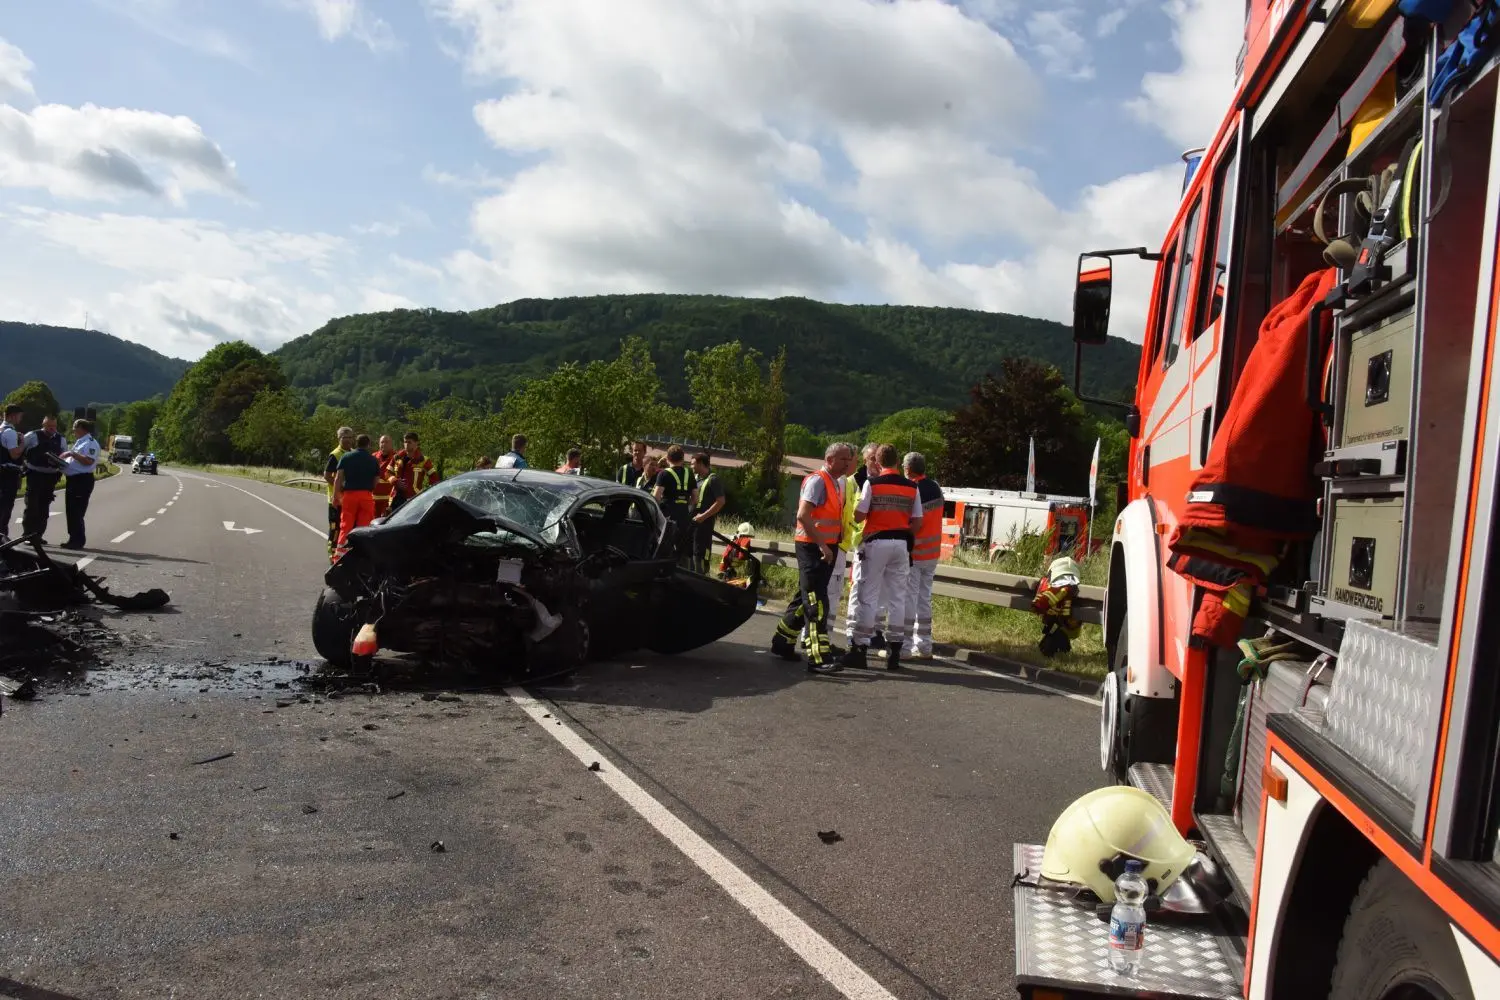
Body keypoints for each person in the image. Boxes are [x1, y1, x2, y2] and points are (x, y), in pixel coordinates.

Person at [771, 441, 855, 674]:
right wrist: (822, 546)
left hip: (826, 547)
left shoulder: (837, 483)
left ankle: (782, 642)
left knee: (805, 597)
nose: (848, 463)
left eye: (849, 459)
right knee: (816, 602)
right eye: (844, 459)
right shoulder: (819, 480)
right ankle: (819, 658)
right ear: (830, 459)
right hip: (813, 548)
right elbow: (803, 516)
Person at [841, 443, 922, 672]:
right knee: (898, 598)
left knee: (868, 595)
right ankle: (894, 652)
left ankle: (859, 649)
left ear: (877, 461)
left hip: (876, 543)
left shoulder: (872, 483)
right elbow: (917, 521)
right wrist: (904, 533)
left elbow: (859, 515)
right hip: (901, 544)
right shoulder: (911, 487)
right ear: (897, 461)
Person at [900, 451, 944, 661]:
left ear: (908, 469)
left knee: (909, 599)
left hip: (915, 553)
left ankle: (905, 648)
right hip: (932, 554)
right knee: (924, 599)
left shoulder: (911, 489)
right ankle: (925, 647)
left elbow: (909, 522)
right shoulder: (935, 487)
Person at [333, 434, 381, 561]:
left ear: (356, 443)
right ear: (368, 445)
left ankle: (339, 556)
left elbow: (338, 478)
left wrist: (336, 497)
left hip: (349, 495)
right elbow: (376, 480)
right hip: (366, 495)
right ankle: (360, 556)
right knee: (364, 527)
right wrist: (369, 488)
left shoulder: (346, 457)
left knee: (346, 524)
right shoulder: (373, 460)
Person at [20, 415, 65, 543]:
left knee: (44, 507)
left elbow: (64, 458)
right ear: (43, 425)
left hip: (51, 477)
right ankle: (28, 535)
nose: (52, 429)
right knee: (31, 506)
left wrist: (59, 468)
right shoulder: (32, 436)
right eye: (49, 426)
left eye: (54, 426)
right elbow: (21, 451)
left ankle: (38, 535)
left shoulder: (61, 439)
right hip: (34, 474)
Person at [58, 418, 100, 550]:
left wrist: (72, 454)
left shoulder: (90, 443)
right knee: (71, 511)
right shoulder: (80, 442)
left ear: (82, 429)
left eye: (75, 428)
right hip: (73, 480)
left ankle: (78, 540)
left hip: (82, 480)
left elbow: (88, 461)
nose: (73, 430)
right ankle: (73, 538)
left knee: (76, 511)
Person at [653, 444, 696, 567]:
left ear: (668, 458)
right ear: (683, 458)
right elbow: (695, 498)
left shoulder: (664, 474)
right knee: (682, 548)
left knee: (666, 547)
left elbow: (656, 497)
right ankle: (683, 574)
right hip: (684, 516)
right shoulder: (689, 473)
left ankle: (664, 572)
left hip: (668, 517)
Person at [1032, 556, 1083, 657]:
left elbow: (1041, 602)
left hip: (1062, 622)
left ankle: (1055, 646)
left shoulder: (1058, 589)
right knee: (1056, 632)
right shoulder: (1069, 591)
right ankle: (1056, 646)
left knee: (1057, 632)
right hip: (1060, 621)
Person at [690, 453, 725, 574]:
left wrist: (703, 516)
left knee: (700, 555)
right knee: (693, 553)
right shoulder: (696, 479)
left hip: (704, 526)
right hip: (694, 524)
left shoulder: (713, 479)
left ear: (700, 464)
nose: (691, 466)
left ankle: (702, 578)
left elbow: (720, 502)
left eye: (693, 464)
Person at [324, 426, 355, 557]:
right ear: (339, 438)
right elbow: (327, 475)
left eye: (350, 437)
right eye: (344, 437)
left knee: (348, 527)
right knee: (335, 527)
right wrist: (340, 487)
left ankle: (344, 552)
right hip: (336, 499)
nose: (347, 440)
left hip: (350, 498)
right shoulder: (335, 454)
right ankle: (332, 553)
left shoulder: (353, 452)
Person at [389, 431, 436, 514]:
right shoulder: (397, 458)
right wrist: (395, 481)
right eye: (405, 442)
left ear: (416, 443)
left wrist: (428, 494)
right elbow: (388, 473)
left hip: (415, 500)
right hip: (396, 499)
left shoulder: (424, 460)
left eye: (409, 442)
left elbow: (434, 478)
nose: (406, 444)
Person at [0, 402, 22, 539]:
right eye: (19, 416)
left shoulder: (1, 429)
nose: (20, 419)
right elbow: (14, 454)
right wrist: (23, 443)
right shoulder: (10, 432)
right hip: (8, 474)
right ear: (13, 416)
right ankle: (3, 538)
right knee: (5, 508)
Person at [372, 434, 399, 520]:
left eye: (386, 442)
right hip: (374, 500)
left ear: (391, 444)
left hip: (389, 500)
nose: (384, 444)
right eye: (382, 442)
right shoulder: (373, 456)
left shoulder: (397, 457)